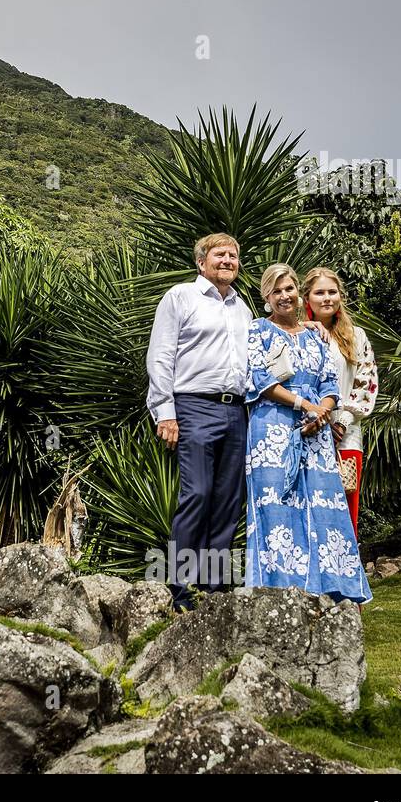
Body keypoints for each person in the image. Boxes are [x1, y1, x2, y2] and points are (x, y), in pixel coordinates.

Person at [243, 264, 371, 605]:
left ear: (299, 294)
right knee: (277, 507)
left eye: (290, 288)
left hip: (317, 431)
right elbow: (260, 380)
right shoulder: (258, 331)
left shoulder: (316, 335)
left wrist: (323, 411)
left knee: (323, 506)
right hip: (272, 429)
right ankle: (277, 593)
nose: (285, 295)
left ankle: (331, 591)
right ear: (266, 298)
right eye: (277, 291)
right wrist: (305, 405)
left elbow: (331, 383)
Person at [146, 233, 253, 611]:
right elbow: (160, 355)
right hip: (193, 406)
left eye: (233, 255)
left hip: (237, 411)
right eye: (220, 254)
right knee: (198, 494)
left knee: (228, 500)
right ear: (201, 261)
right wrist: (165, 412)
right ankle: (178, 589)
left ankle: (213, 590)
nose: (227, 260)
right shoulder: (180, 297)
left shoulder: (244, 309)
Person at [301, 267, 378, 538]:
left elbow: (365, 382)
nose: (326, 298)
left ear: (340, 296)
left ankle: (346, 571)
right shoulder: (298, 333)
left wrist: (343, 420)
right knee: (311, 505)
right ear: (306, 297)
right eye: (319, 292)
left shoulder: (356, 336)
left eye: (332, 292)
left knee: (346, 505)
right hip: (307, 431)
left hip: (344, 434)